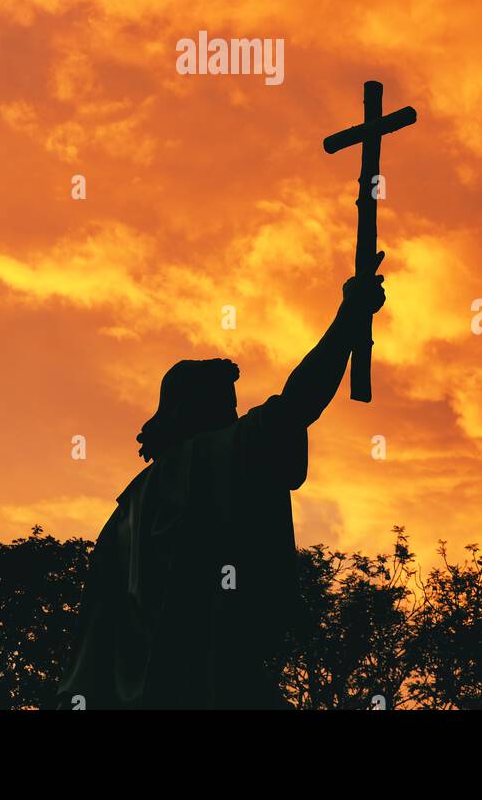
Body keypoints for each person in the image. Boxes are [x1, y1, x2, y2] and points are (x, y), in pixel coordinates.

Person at [57, 257, 386, 710]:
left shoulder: (125, 509)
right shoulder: (214, 456)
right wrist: (348, 319)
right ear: (192, 412)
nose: (235, 418)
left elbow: (95, 631)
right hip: (206, 681)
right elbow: (296, 404)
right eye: (226, 409)